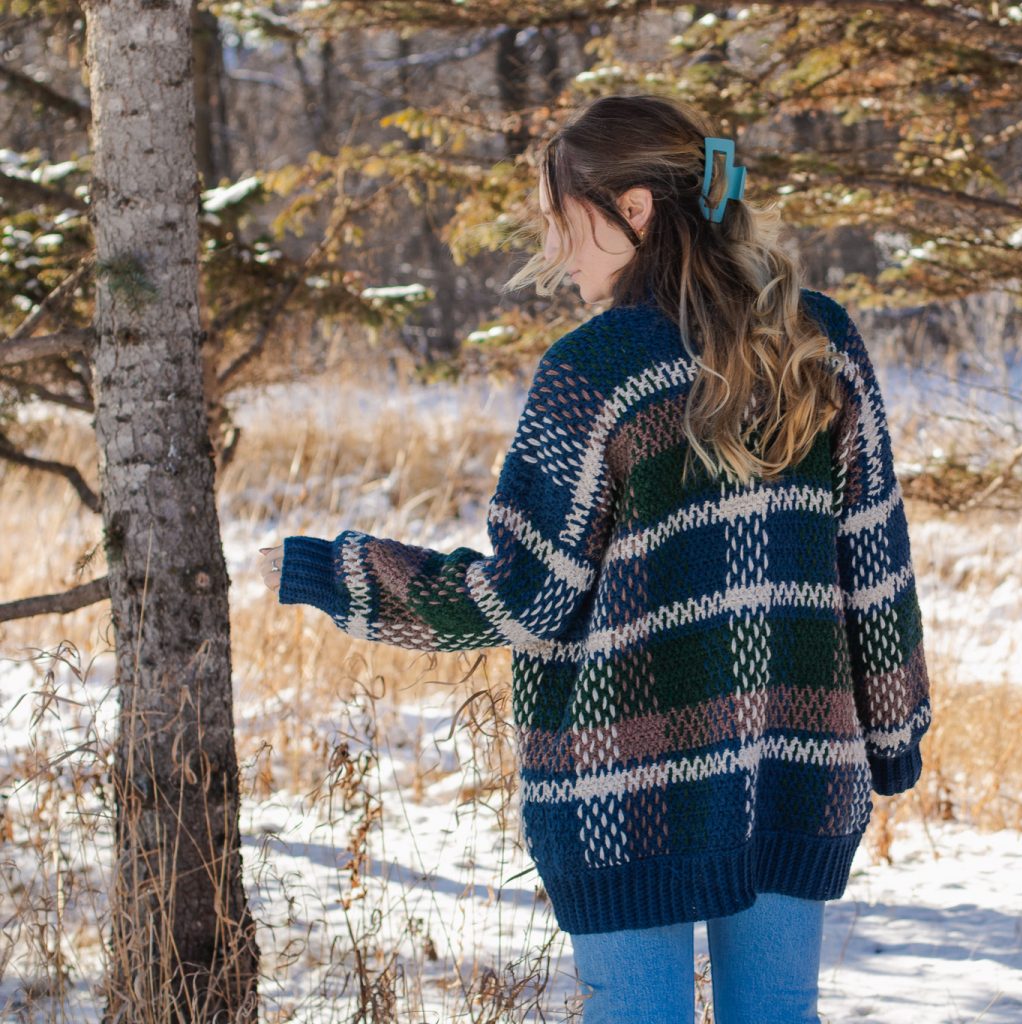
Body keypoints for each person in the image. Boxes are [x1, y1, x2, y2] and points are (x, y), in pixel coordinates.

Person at [259, 92, 930, 1024]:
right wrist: (892, 741)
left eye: (561, 219)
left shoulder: (597, 369)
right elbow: (877, 561)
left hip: (626, 788)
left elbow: (525, 595)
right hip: (799, 764)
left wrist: (330, 572)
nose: (556, 249)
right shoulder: (819, 340)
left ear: (634, 211)